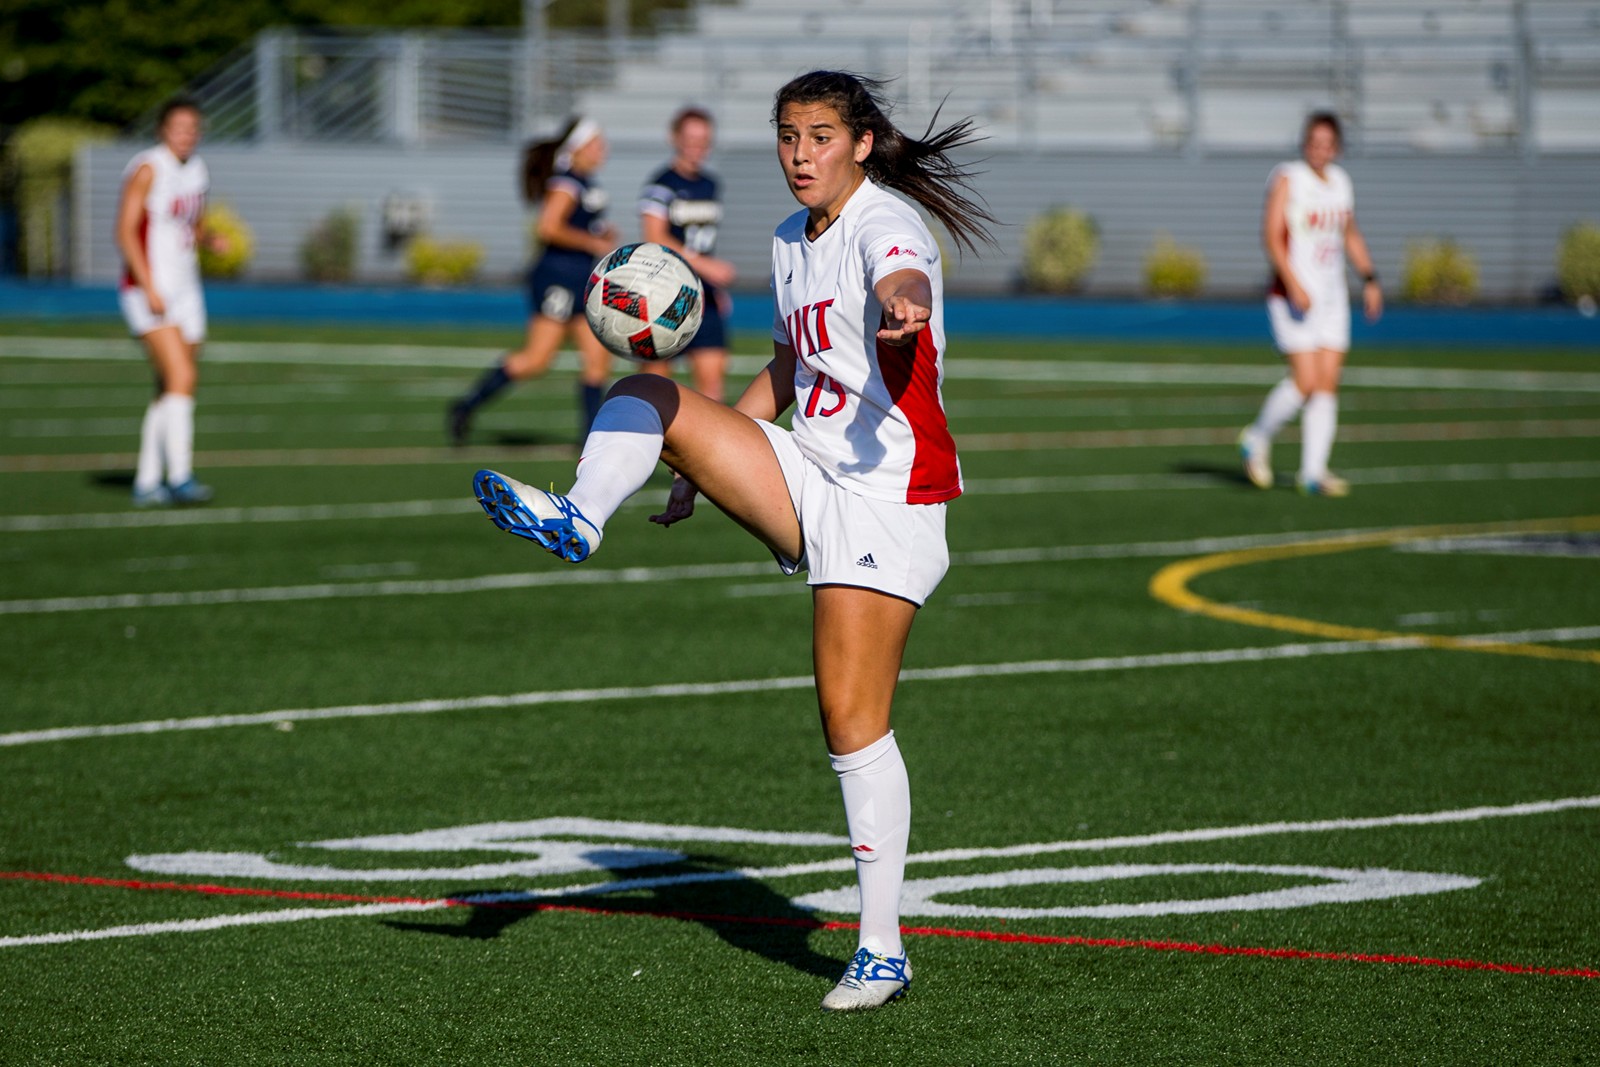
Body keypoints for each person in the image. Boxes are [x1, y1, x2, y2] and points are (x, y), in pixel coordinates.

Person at [471, 70, 995, 1012]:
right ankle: (580, 513)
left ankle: (882, 947)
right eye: (789, 136)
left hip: (887, 494)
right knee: (649, 392)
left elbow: (899, 276)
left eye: (822, 136)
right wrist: (700, 460)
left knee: (850, 717)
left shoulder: (889, 228)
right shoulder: (793, 238)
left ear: (862, 143)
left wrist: (907, 306)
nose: (801, 154)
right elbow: (796, 358)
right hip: (808, 467)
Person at [449, 118, 618, 446]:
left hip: (583, 278)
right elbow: (548, 228)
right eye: (596, 143)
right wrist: (590, 242)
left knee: (598, 359)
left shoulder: (586, 182)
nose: (603, 149)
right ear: (577, 147)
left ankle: (589, 439)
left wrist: (599, 236)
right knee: (537, 359)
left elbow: (579, 227)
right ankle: (467, 405)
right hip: (557, 277)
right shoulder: (566, 183)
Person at [1239, 110, 1382, 496]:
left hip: (1333, 296)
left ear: (1336, 147)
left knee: (1326, 384)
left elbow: (1349, 233)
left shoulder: (1340, 182)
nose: (1319, 150)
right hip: (1294, 296)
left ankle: (1313, 472)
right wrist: (1293, 282)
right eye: (1313, 142)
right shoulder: (1289, 177)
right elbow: (1270, 236)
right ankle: (1257, 436)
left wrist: (1369, 278)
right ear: (1305, 143)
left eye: (1327, 144)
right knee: (1304, 381)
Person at [117, 96, 217, 507]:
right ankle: (179, 476)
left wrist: (210, 238)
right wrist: (149, 286)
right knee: (182, 379)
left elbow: (192, 223)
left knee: (169, 386)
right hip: (149, 290)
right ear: (162, 129)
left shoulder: (197, 170)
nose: (186, 135)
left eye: (192, 128)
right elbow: (125, 231)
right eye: (178, 127)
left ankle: (146, 481)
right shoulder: (147, 167)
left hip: (188, 289)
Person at [636, 107, 738, 403]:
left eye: (704, 139)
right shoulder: (661, 184)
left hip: (704, 294)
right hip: (666, 292)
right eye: (691, 138)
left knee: (712, 387)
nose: (697, 146)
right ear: (675, 138)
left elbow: (704, 241)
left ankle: (705, 449)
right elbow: (654, 236)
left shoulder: (710, 184)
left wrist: (712, 285)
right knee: (653, 384)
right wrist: (705, 267)